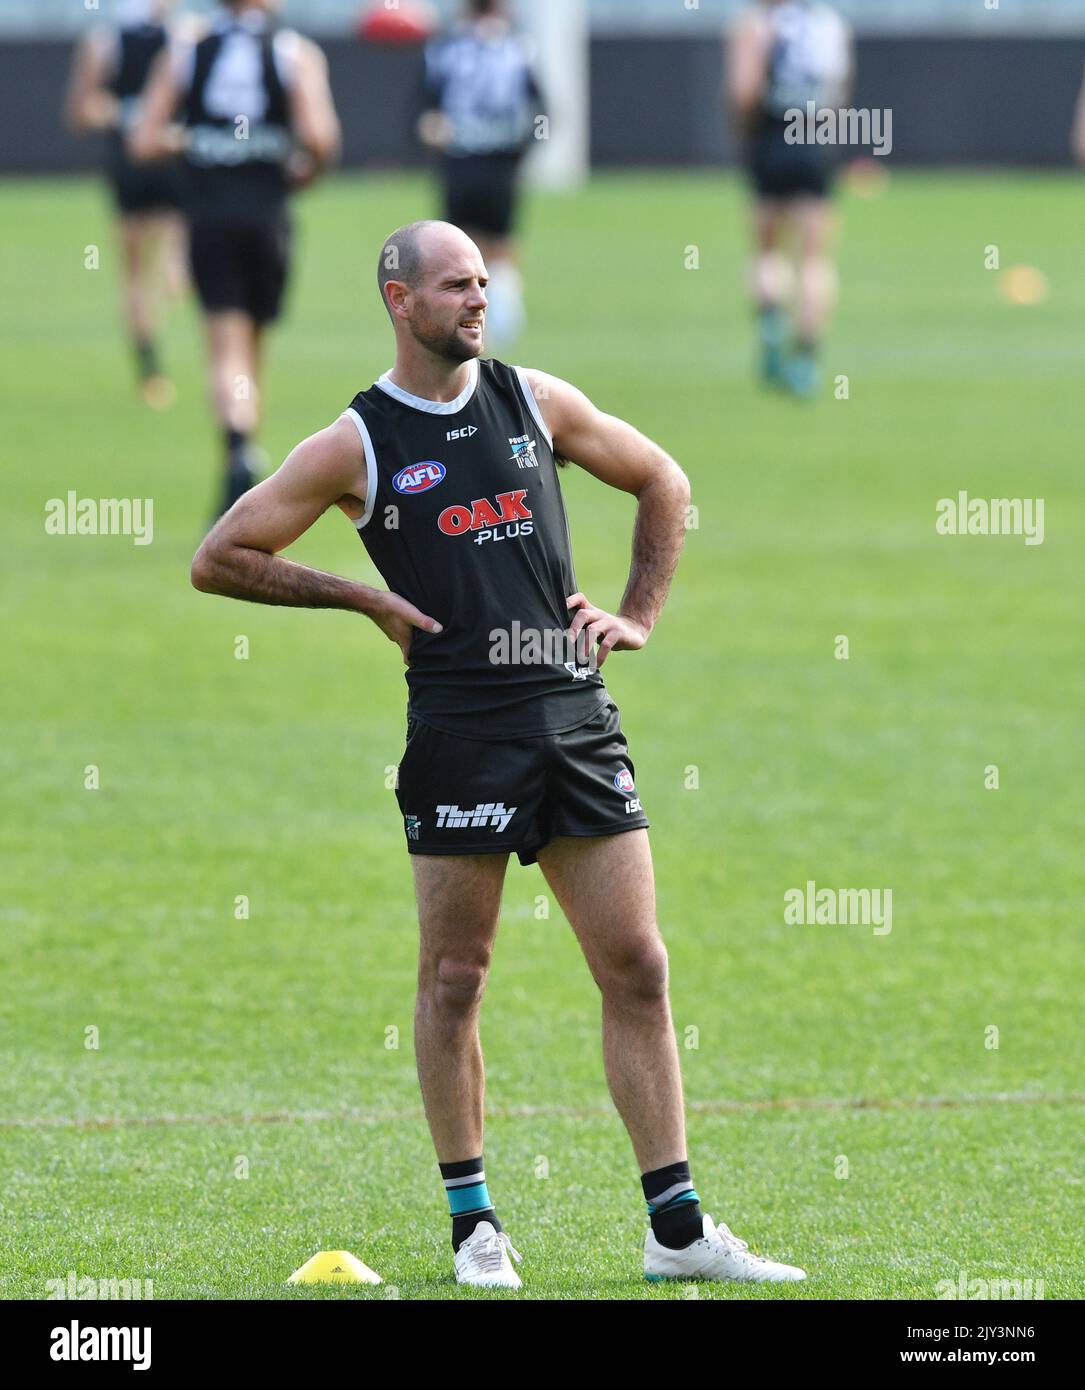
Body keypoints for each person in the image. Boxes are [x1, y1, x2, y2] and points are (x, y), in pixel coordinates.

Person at [190, 218, 808, 1290]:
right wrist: (361, 595)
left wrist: (637, 614)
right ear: (398, 301)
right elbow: (221, 556)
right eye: (454, 286)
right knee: (456, 977)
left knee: (639, 965)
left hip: (574, 719)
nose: (477, 300)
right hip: (459, 734)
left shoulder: (534, 400)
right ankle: (473, 1225)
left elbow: (663, 479)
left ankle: (675, 1228)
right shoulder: (360, 441)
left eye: (481, 281)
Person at [131, 0, 340, 517]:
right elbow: (320, 140)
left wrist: (192, 140)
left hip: (209, 217)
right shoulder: (295, 51)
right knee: (255, 344)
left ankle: (238, 449)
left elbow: (143, 139)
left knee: (225, 346)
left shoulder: (185, 50)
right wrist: (294, 174)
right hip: (268, 217)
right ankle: (249, 453)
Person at [65, 0, 187, 409]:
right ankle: (177, 272)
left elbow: (81, 112)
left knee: (136, 275)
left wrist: (124, 114)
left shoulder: (104, 40)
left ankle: (152, 374)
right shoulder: (187, 39)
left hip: (137, 166)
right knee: (151, 270)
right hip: (165, 161)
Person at [726, 0, 852, 396]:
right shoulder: (830, 25)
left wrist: (746, 131)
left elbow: (744, 92)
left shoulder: (756, 25)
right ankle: (806, 362)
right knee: (814, 260)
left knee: (767, 252)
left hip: (770, 140)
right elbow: (838, 91)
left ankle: (770, 327)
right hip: (814, 140)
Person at [417, 0, 544, 345]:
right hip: (501, 162)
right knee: (501, 243)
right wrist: (521, 150)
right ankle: (503, 313)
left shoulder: (445, 49)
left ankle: (464, 320)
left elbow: (426, 111)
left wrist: (436, 137)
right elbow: (542, 110)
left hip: (460, 161)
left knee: (458, 245)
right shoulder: (517, 48)